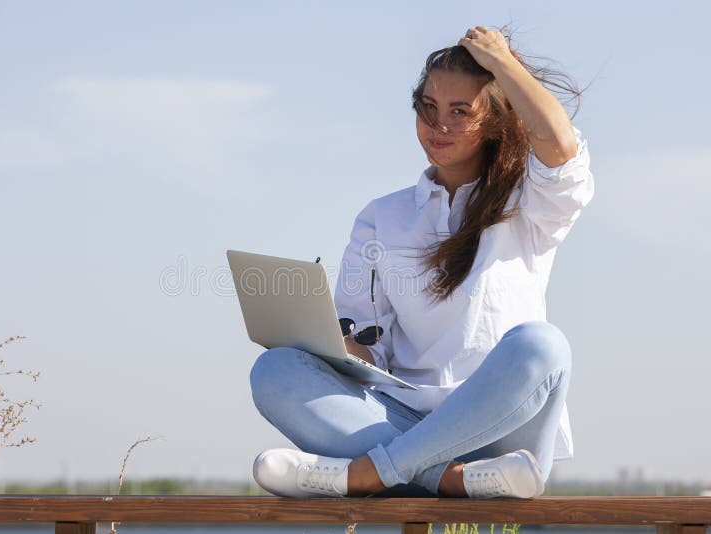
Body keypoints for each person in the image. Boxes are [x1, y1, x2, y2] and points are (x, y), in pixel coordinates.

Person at [248, 25, 594, 499]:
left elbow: (559, 147)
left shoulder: (530, 203)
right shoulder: (380, 217)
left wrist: (503, 62)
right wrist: (330, 346)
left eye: (460, 111)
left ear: (493, 120)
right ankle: (445, 479)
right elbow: (372, 351)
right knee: (275, 370)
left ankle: (367, 475)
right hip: (400, 422)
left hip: (503, 435)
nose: (439, 125)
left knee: (544, 347)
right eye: (428, 108)